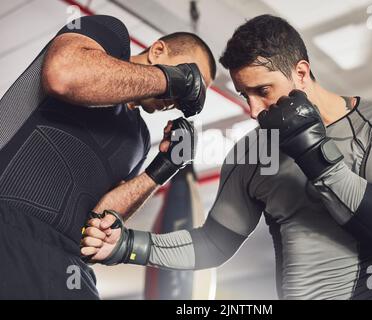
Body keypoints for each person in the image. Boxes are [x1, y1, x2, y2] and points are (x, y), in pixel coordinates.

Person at [81, 15, 372, 300]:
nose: (254, 110)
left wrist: (312, 150)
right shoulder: (252, 150)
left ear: (301, 73)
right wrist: (127, 245)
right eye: (245, 95)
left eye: (263, 91)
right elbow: (213, 243)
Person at [0, 14, 216, 299]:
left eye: (192, 93)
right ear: (158, 51)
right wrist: (174, 80)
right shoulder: (110, 36)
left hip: (66, 262)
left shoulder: (138, 138)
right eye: (190, 75)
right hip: (9, 225)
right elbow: (63, 74)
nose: (182, 98)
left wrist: (163, 169)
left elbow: (99, 223)